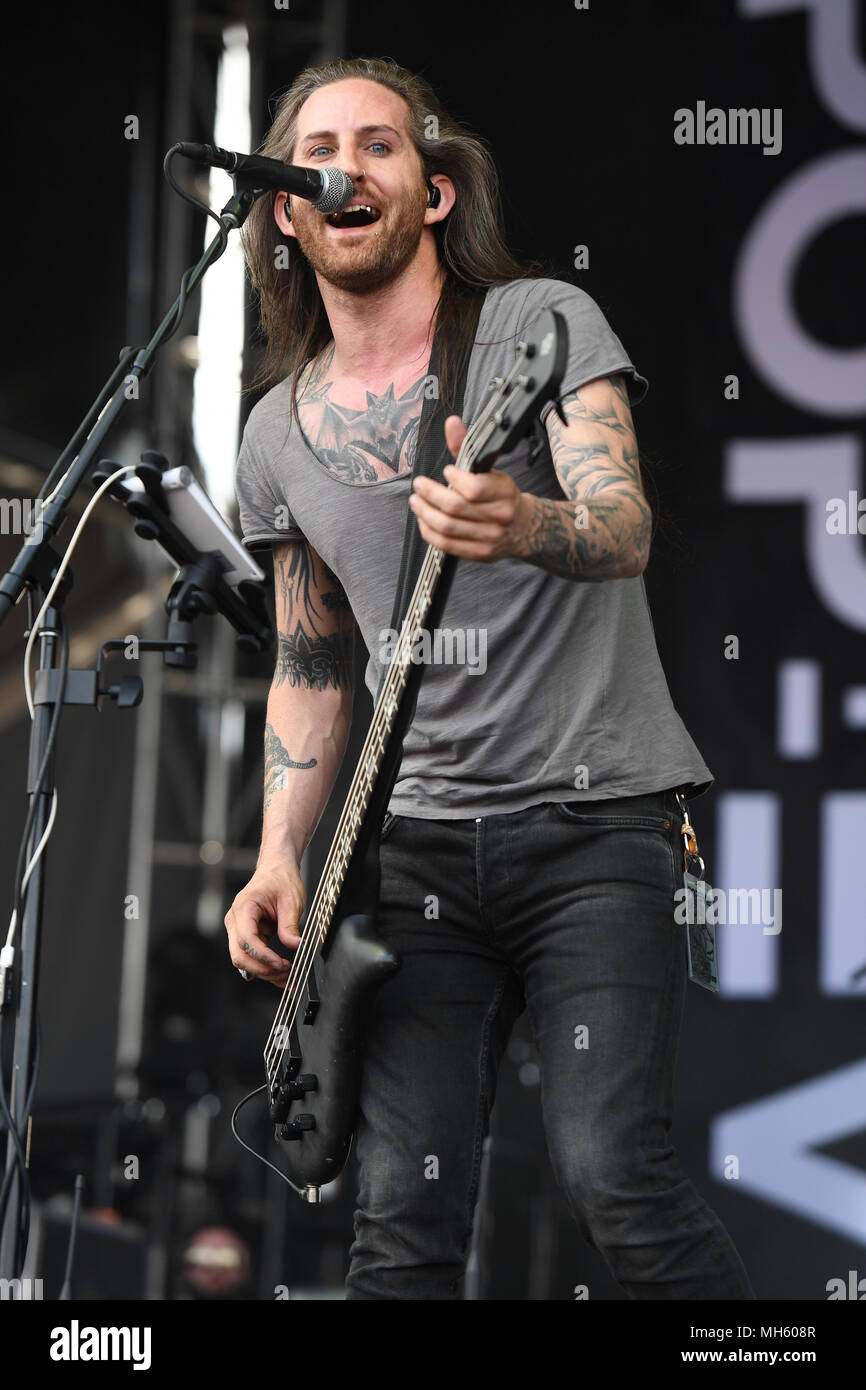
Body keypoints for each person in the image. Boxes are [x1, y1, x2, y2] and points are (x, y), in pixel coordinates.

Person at [227, 56, 755, 1301]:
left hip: (598, 824)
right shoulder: (271, 433)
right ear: (284, 213)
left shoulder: (535, 323)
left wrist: (522, 521)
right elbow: (311, 665)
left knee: (609, 1172)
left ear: (435, 190)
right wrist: (276, 854)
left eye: (379, 144)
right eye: (317, 152)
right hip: (418, 855)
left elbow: (621, 524)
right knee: (398, 1227)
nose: (345, 167)